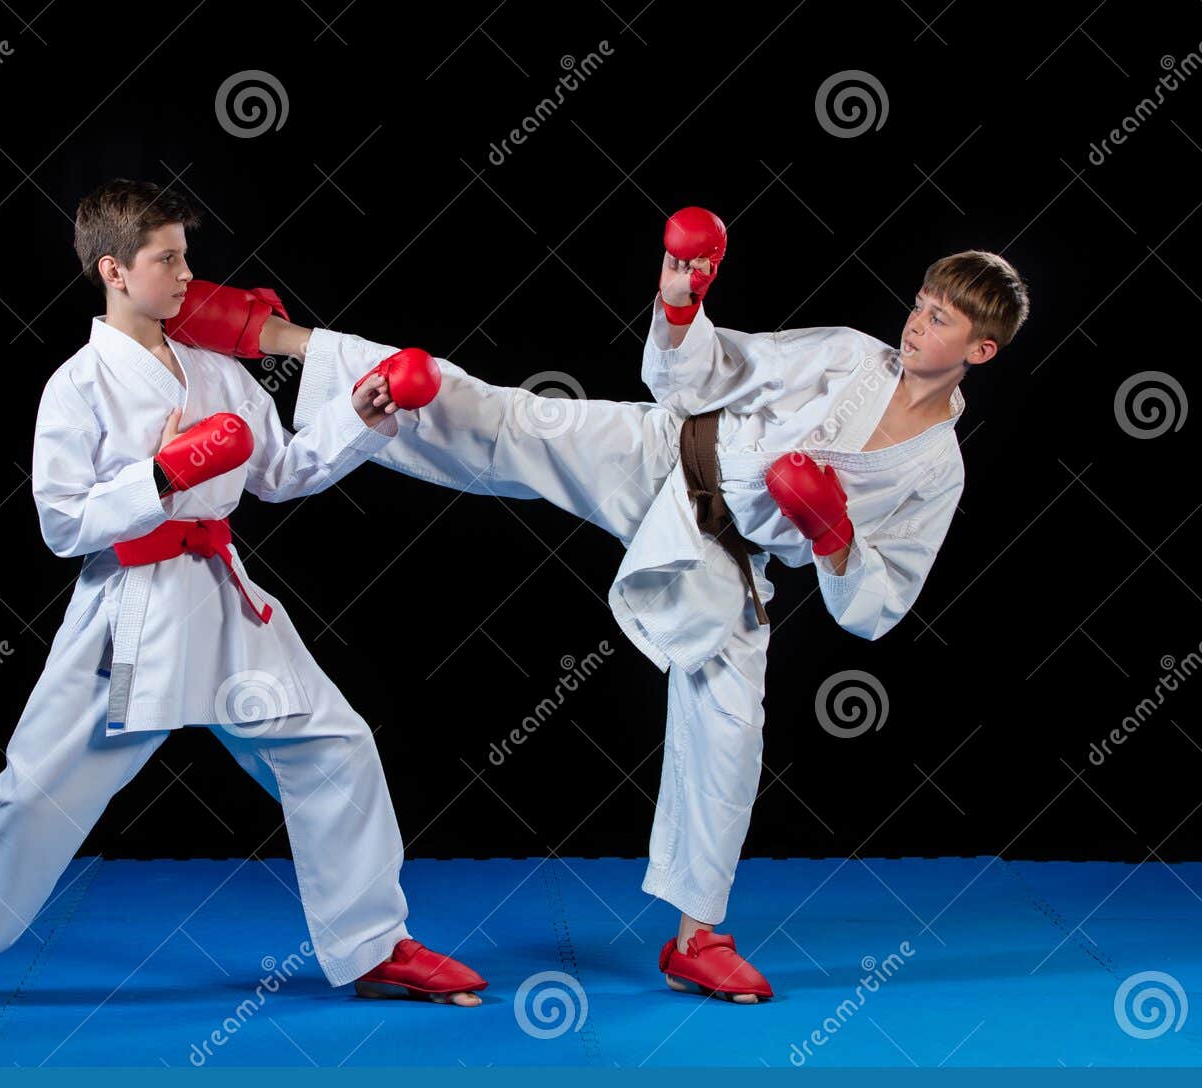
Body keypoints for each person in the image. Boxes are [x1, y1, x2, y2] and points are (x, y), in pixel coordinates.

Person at [167, 210, 1029, 1002]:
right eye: (919, 303)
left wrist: (834, 533)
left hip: (727, 555)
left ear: (980, 350)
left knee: (730, 733)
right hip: (669, 452)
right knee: (506, 419)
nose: (917, 323)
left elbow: (877, 605)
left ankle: (698, 938)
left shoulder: (934, 472)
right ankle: (265, 330)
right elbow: (704, 375)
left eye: (941, 318)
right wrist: (680, 301)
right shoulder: (846, 351)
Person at [0, 179, 488, 1015]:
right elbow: (61, 523)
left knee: (336, 746)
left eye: (185, 256)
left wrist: (358, 412)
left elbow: (282, 471)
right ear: (114, 271)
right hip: (129, 608)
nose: (184, 273)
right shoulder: (78, 385)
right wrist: (160, 475)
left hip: (224, 599)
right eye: (166, 258)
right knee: (40, 787)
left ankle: (375, 946)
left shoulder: (215, 372)